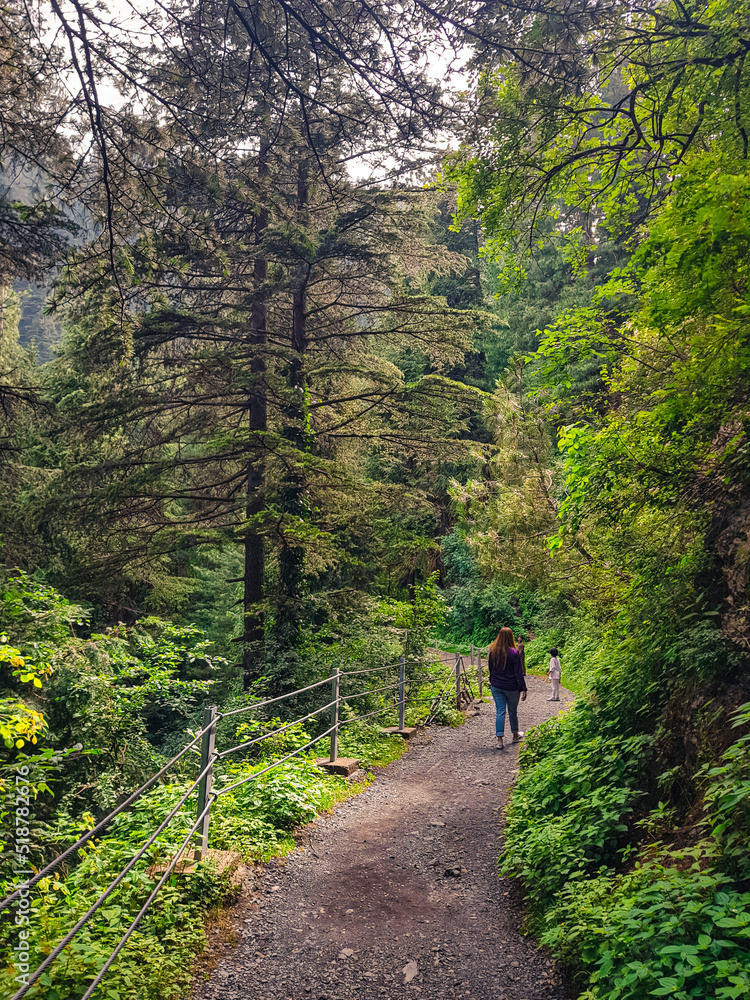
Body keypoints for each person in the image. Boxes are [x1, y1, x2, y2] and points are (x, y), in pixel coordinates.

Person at [488, 626, 527, 749]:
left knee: (500, 711)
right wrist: (523, 688)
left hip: (496, 686)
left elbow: (490, 669)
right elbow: (518, 673)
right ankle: (515, 735)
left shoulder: (493, 651)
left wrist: (492, 681)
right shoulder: (514, 653)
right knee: (512, 711)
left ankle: (500, 740)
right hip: (511, 687)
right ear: (511, 637)